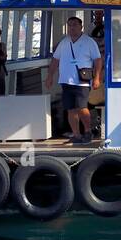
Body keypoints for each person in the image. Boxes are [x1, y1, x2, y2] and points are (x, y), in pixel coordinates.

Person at [45, 15, 103, 144]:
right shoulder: (64, 42)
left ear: (81, 26)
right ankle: (76, 135)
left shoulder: (89, 42)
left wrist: (97, 77)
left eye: (74, 25)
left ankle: (88, 131)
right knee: (71, 109)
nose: (72, 28)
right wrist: (50, 76)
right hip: (66, 80)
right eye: (69, 25)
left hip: (82, 81)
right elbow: (55, 60)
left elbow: (98, 60)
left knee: (82, 107)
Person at [0, 25, 8, 95]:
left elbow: (4, 59)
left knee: (1, 93)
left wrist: (3, 57)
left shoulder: (2, 45)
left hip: (0, 74)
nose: (0, 33)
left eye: (0, 31)